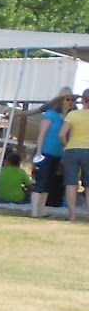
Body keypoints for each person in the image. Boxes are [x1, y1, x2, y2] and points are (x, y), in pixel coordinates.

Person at [30, 88, 73, 217]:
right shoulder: (50, 114)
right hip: (45, 151)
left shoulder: (69, 118)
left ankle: (42, 209)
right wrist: (38, 151)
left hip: (58, 153)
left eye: (71, 100)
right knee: (41, 180)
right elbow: (42, 133)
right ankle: (34, 211)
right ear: (61, 101)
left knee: (49, 181)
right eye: (67, 99)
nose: (69, 102)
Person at [59, 89, 89, 223]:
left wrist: (66, 145)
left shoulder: (73, 115)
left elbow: (62, 134)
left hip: (72, 149)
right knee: (88, 185)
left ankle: (72, 215)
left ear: (82, 100)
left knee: (71, 183)